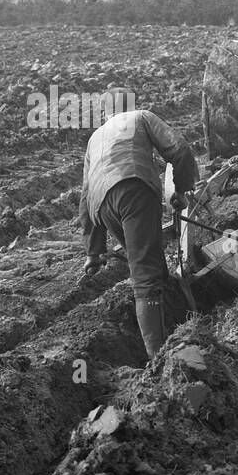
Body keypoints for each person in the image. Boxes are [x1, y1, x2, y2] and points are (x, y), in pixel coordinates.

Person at [78, 105, 198, 360]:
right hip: (133, 189)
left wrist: (93, 251)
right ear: (128, 105)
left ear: (106, 114)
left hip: (101, 206)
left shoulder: (95, 138)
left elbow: (85, 195)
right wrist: (181, 189)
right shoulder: (141, 117)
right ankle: (159, 360)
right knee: (145, 276)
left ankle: (172, 325)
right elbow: (180, 149)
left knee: (149, 263)